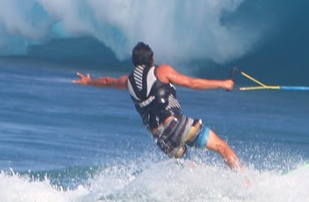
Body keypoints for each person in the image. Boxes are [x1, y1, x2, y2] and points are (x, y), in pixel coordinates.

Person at [74, 42, 242, 170]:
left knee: (189, 169)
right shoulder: (161, 71)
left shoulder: (127, 81)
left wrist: (88, 81)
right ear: (152, 58)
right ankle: (246, 183)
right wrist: (223, 83)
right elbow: (192, 83)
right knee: (221, 147)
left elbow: (107, 81)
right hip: (176, 124)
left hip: (160, 137)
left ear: (134, 62)